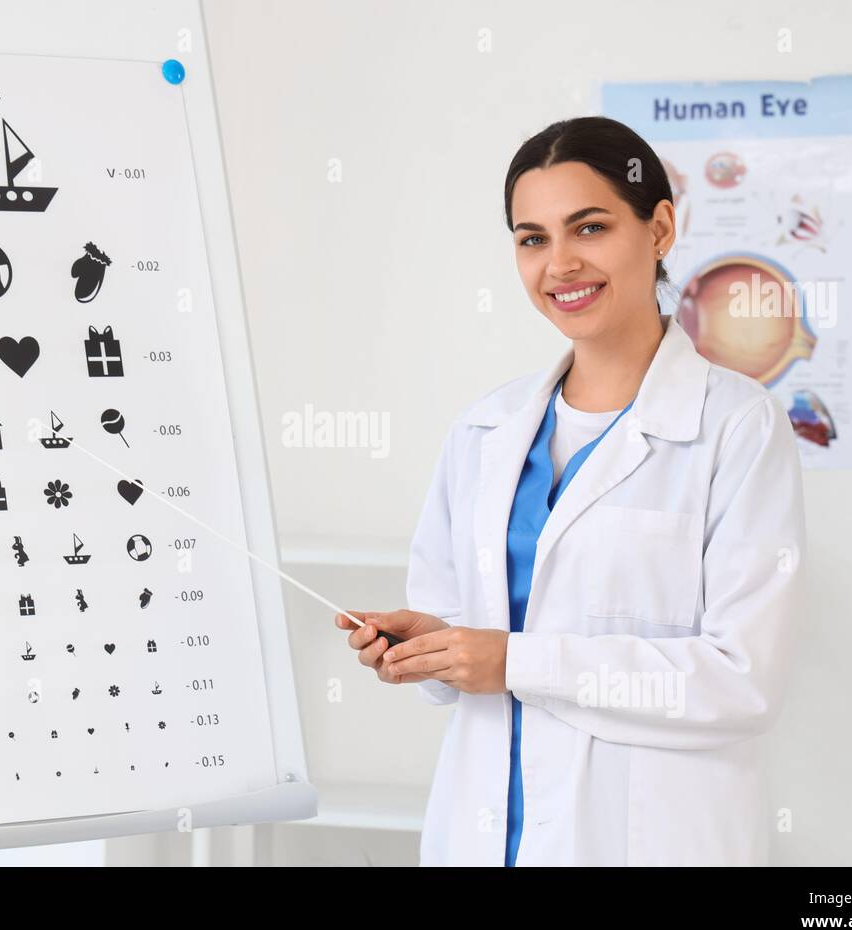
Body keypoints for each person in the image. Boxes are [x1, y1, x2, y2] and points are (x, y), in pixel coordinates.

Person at [336, 116, 807, 866]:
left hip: (647, 839)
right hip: (484, 834)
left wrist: (512, 662)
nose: (560, 264)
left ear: (659, 229)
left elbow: (741, 682)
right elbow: (465, 647)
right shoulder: (484, 430)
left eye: (588, 227)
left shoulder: (737, 428)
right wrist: (431, 649)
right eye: (532, 239)